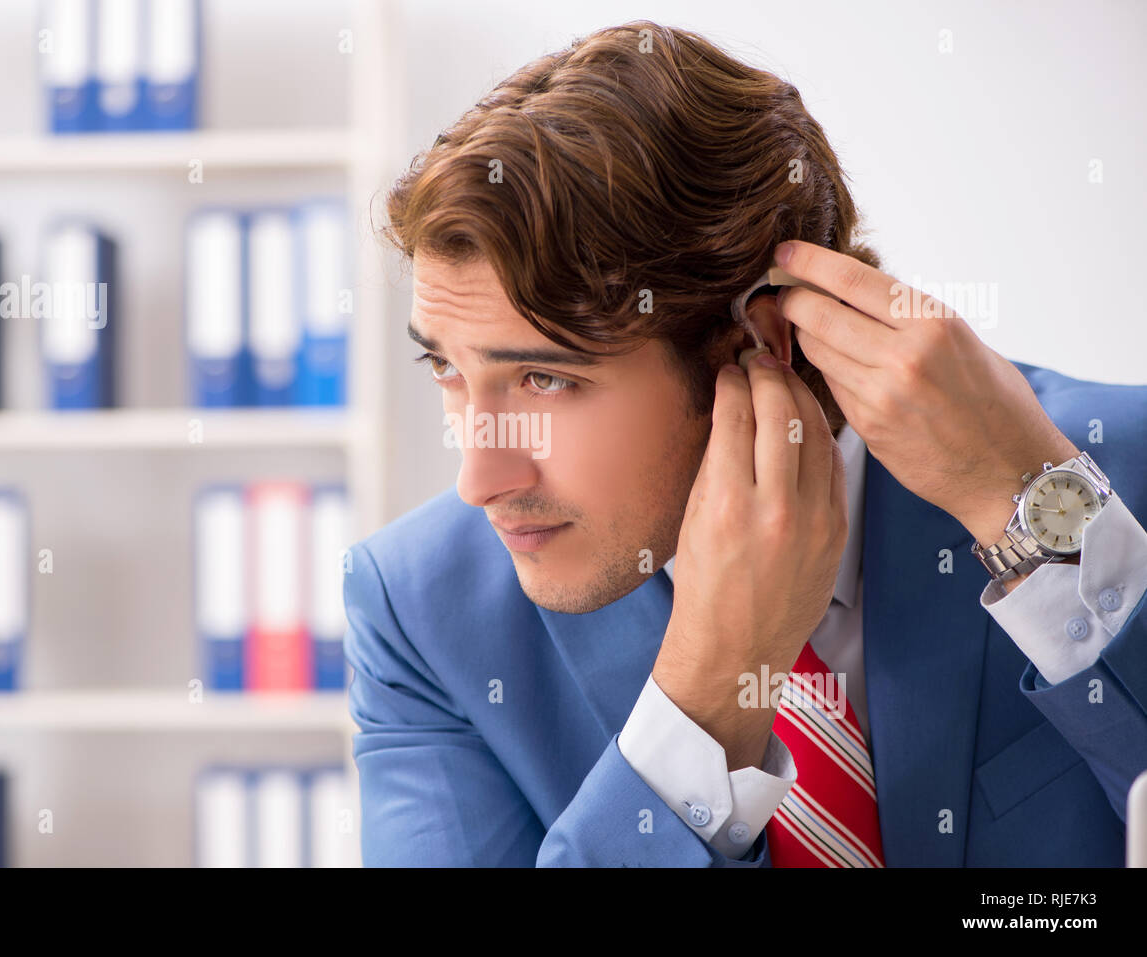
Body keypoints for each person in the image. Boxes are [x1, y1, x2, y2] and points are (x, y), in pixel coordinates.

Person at [342, 20, 1147, 866]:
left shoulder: (1116, 470)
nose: (478, 476)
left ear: (759, 339)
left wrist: (1042, 526)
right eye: (445, 367)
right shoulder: (419, 610)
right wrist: (704, 702)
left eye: (547, 380)